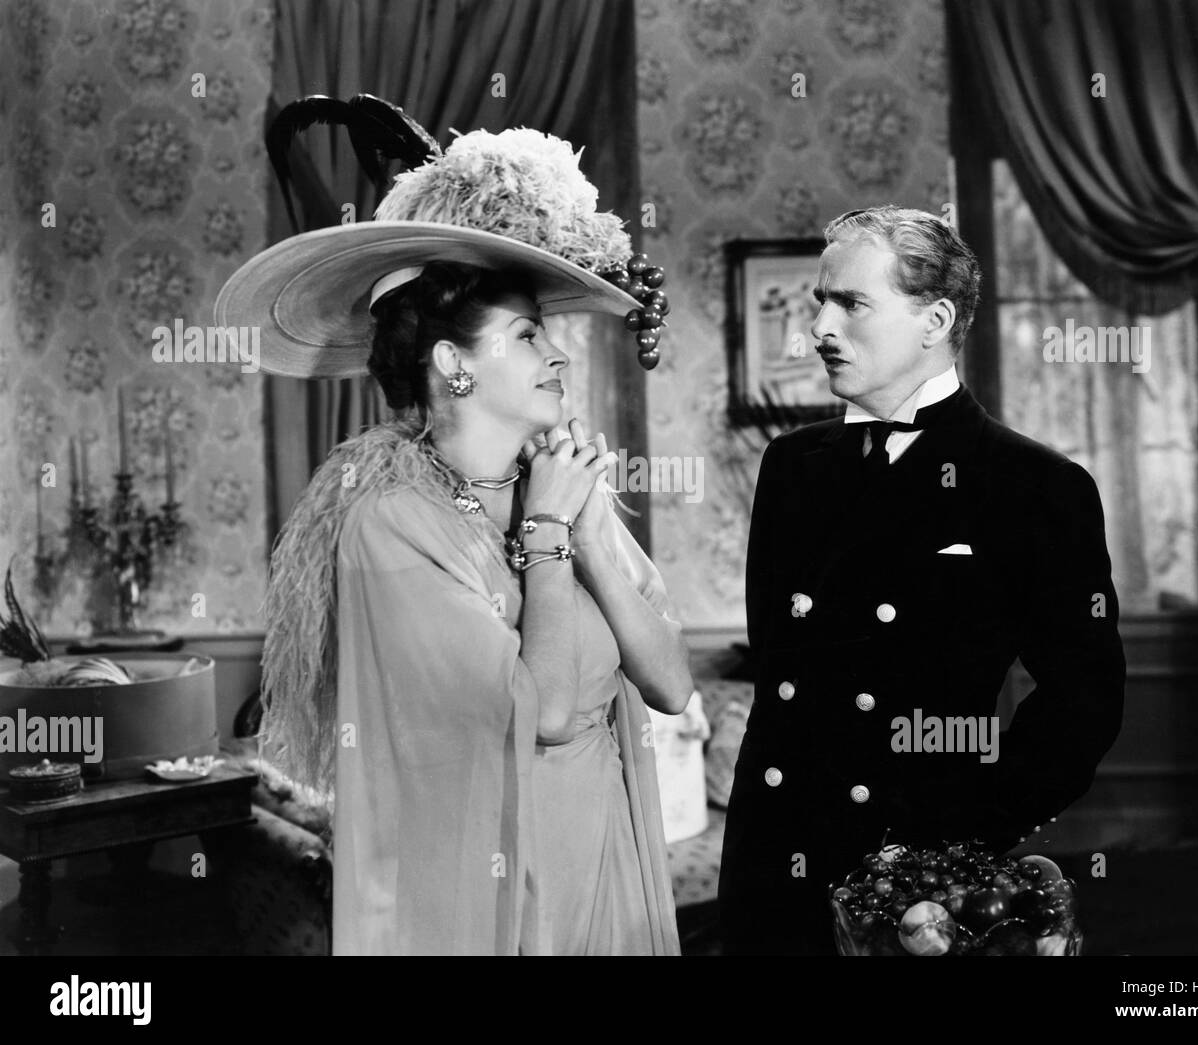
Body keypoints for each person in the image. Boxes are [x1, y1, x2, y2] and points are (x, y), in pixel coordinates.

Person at [219, 107, 690, 954]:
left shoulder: (564, 482)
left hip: (601, 854)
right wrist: (547, 531)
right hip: (490, 873)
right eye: (527, 333)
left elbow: (672, 685)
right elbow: (540, 711)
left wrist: (585, 531)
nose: (557, 354)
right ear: (452, 363)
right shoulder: (392, 521)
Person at [718, 206, 1126, 954]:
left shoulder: (1036, 485)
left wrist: (968, 831)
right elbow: (779, 657)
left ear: (936, 318)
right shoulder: (791, 468)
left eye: (852, 303)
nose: (820, 329)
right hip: (772, 852)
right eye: (821, 301)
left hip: (913, 872)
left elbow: (1085, 698)